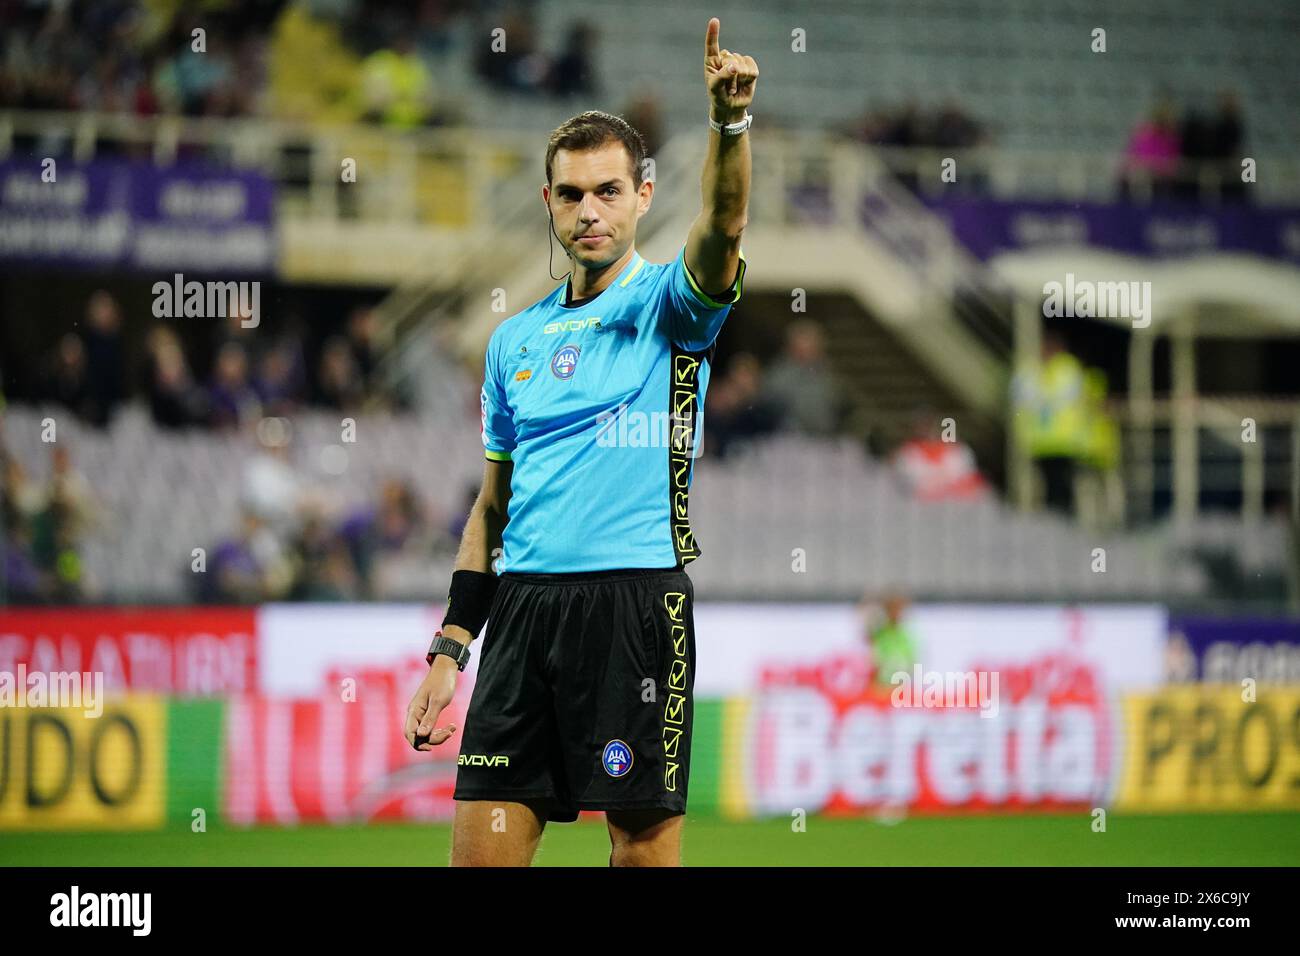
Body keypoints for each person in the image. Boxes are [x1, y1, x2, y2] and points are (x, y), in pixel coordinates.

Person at [405, 18, 757, 867]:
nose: (588, 210)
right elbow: (491, 510)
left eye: (608, 190)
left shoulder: (672, 307)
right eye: (571, 194)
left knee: (640, 857)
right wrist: (451, 648)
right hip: (521, 619)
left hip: (634, 609)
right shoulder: (511, 344)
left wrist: (729, 124)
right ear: (548, 204)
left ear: (642, 194)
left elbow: (723, 228)